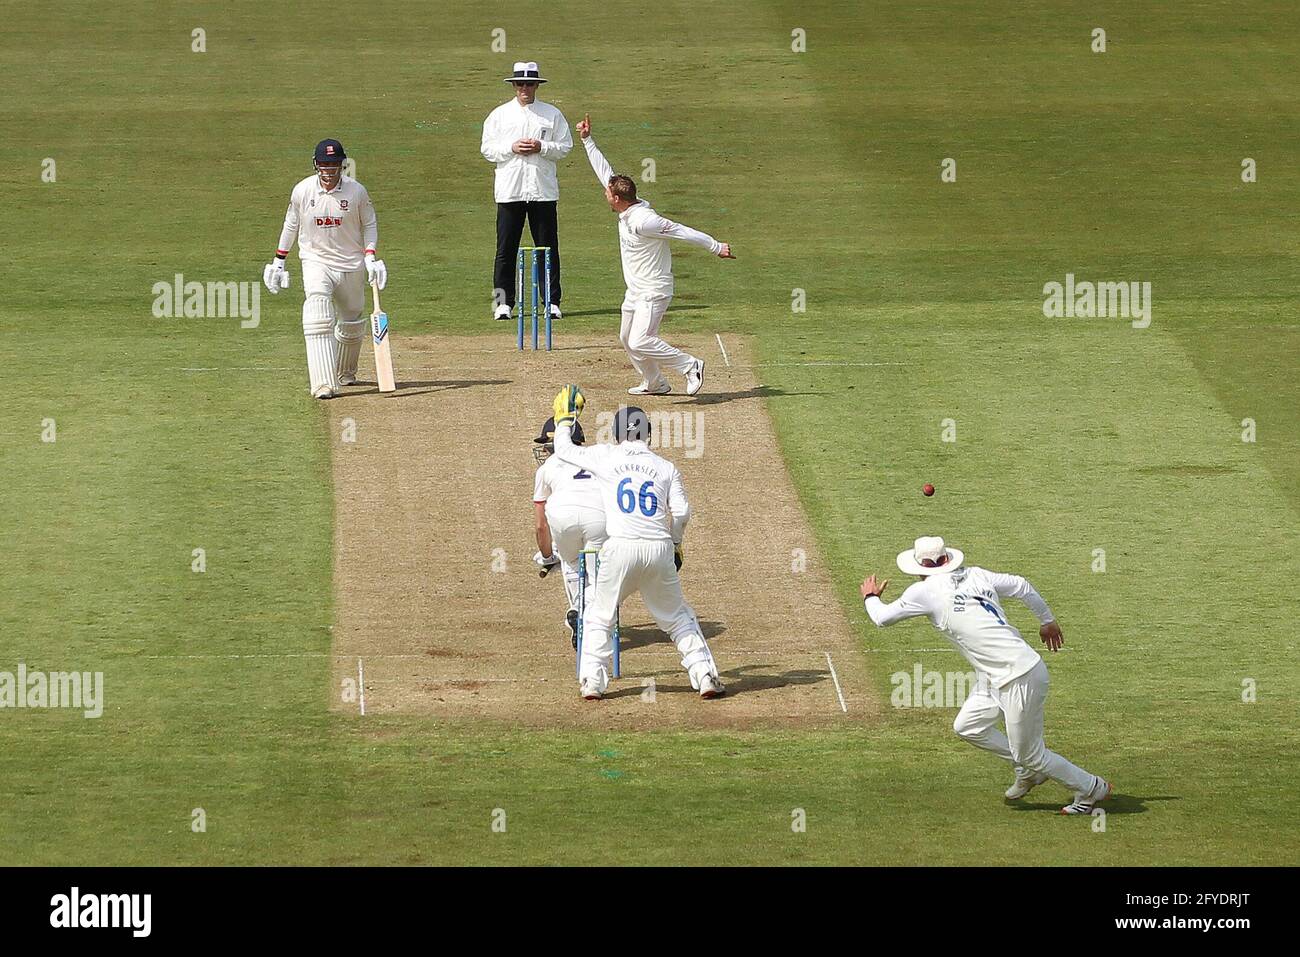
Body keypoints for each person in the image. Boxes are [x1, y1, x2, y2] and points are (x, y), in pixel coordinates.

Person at [860, 537, 1112, 815]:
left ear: (921, 567)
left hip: (1018, 676)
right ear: (946, 559)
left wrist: (870, 596)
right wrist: (1046, 620)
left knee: (1031, 753)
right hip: (995, 675)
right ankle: (1026, 772)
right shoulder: (977, 574)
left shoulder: (924, 591)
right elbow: (1021, 585)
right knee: (968, 727)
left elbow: (881, 618)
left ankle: (1091, 788)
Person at [549, 386, 723, 701]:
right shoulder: (665, 467)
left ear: (617, 435)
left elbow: (563, 450)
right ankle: (705, 675)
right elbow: (682, 511)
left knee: (599, 615)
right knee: (678, 618)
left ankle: (592, 682)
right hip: (658, 548)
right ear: (649, 435)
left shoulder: (606, 455)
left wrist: (565, 419)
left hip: (620, 548)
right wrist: (676, 544)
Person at [576, 113, 734, 396]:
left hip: (654, 290)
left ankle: (690, 365)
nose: (604, 193)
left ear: (617, 199)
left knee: (641, 340)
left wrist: (715, 246)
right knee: (626, 338)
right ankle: (655, 382)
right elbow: (604, 172)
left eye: (608, 193)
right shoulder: (625, 208)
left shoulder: (644, 220)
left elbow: (680, 230)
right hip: (635, 291)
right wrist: (588, 140)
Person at [262, 139, 387, 399]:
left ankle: (344, 371)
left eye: (333, 164)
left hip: (350, 263)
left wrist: (370, 257)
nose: (328, 170)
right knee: (317, 309)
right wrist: (279, 260)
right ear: (316, 165)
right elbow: (290, 225)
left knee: (352, 319)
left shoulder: (356, 192)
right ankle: (322, 383)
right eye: (324, 165)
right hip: (315, 260)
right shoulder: (302, 191)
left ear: (342, 165)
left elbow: (370, 224)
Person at [481, 61, 572, 321]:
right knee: (505, 249)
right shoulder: (499, 115)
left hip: (542, 191)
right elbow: (487, 149)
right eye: (520, 83)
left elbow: (565, 146)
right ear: (514, 85)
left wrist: (541, 146)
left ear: (536, 86)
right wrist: (512, 147)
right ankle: (503, 304)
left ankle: (552, 302)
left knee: (547, 247)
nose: (524, 88)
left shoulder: (551, 114)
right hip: (510, 190)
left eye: (529, 83)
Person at [531, 417, 606, 647]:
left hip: (563, 520)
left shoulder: (547, 469)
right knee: (599, 574)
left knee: (570, 560)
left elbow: (540, 526)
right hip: (600, 519)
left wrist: (547, 557)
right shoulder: (597, 457)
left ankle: (578, 610)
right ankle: (587, 612)